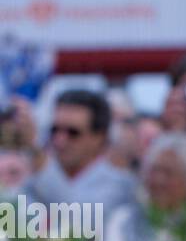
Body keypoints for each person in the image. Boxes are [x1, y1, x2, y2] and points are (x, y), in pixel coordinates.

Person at [22, 89, 139, 228]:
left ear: (99, 137)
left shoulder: (121, 186)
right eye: (55, 130)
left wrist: (37, 154)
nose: (60, 141)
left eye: (73, 133)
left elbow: (81, 226)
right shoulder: (33, 177)